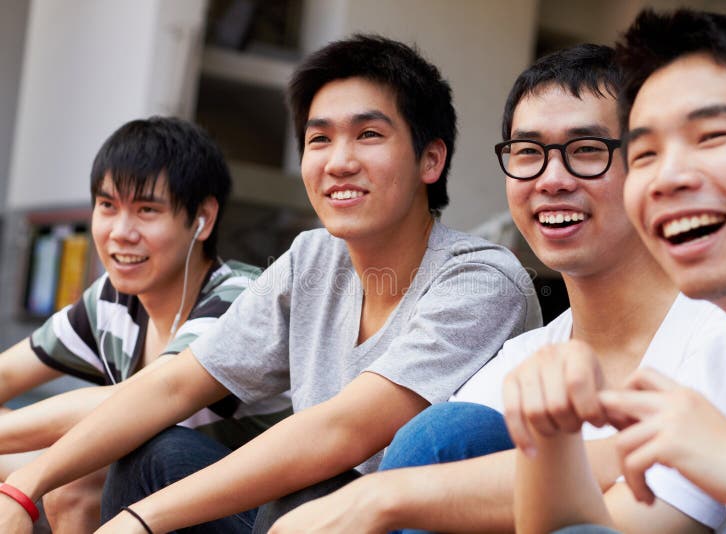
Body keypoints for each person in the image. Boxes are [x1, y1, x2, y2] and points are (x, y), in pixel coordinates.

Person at [0, 35, 539, 533]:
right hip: (297, 516)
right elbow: (176, 384)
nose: (340, 162)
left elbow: (343, 432)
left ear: (431, 158)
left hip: (400, 518)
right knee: (154, 457)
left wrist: (141, 521)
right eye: (319, 139)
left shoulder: (479, 281)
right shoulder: (312, 258)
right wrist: (26, 486)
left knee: (309, 490)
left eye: (369, 134)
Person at [268, 44, 726, 534]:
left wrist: (385, 497)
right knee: (439, 438)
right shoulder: (521, 361)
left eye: (586, 150)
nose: (551, 179)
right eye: (529, 153)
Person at [505, 9, 726, 533]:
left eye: (710, 136)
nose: (667, 177)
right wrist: (550, 435)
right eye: (644, 153)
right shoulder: (721, 366)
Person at [0, 116, 289, 532]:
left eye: (147, 210)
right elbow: (9, 372)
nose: (121, 232)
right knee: (76, 470)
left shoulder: (239, 296)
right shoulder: (114, 300)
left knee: (116, 459)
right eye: (107, 206)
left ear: (203, 219)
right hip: (171, 505)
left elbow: (143, 398)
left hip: (263, 511)